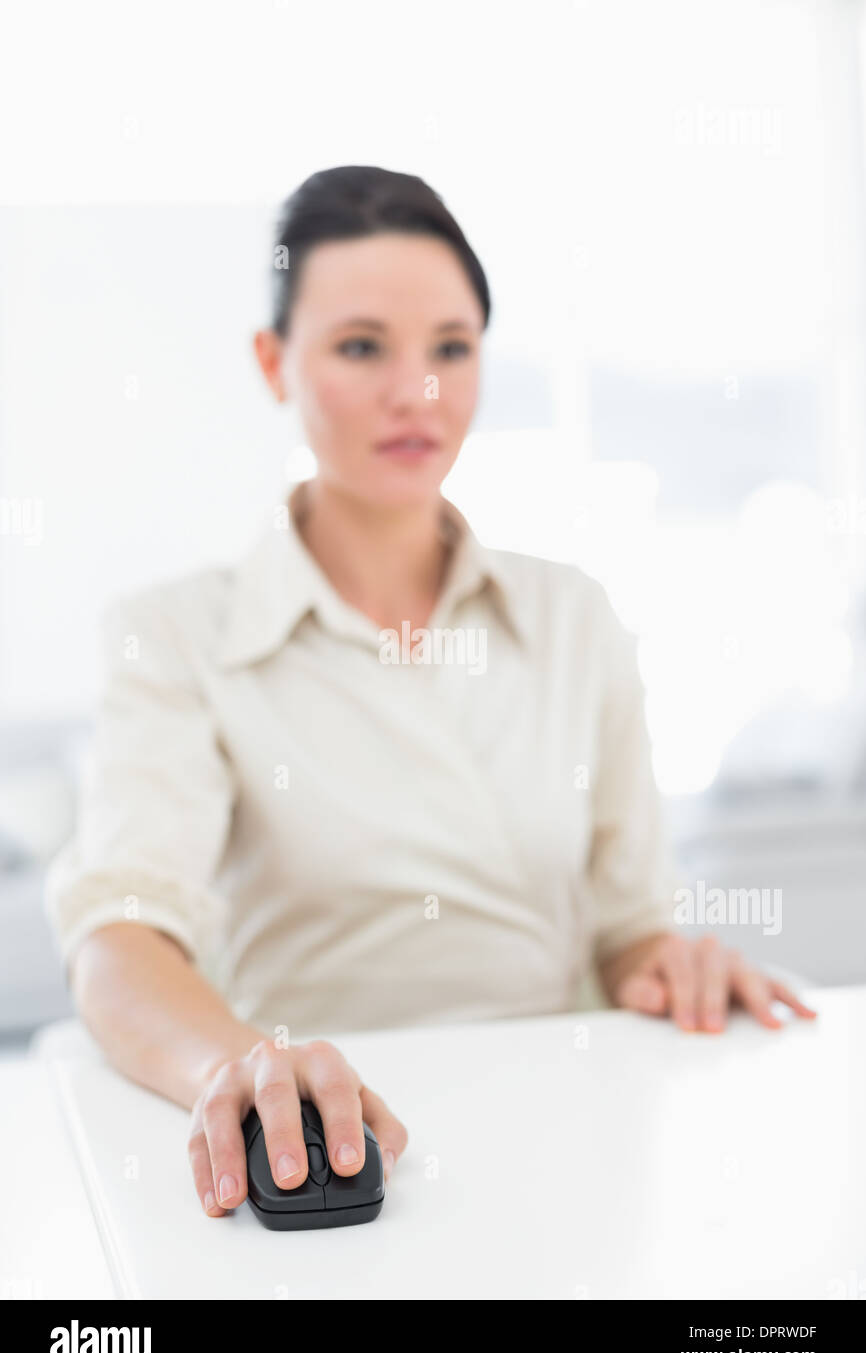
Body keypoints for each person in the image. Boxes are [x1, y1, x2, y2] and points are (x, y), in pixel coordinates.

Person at [44, 165, 817, 1220]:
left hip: (564, 1142)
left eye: (451, 348)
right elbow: (121, 935)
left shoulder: (572, 616)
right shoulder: (178, 632)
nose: (418, 393)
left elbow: (628, 923)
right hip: (328, 1157)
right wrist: (240, 1071)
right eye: (362, 346)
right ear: (275, 363)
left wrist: (666, 964)